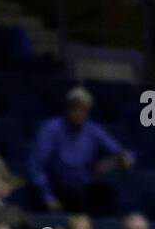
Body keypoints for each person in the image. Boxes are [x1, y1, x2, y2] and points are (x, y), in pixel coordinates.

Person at [30, 86, 132, 215]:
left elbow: (123, 153)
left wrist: (114, 162)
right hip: (55, 187)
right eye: (75, 107)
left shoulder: (93, 130)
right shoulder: (50, 129)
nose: (79, 112)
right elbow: (37, 166)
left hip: (82, 189)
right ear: (67, 108)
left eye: (84, 109)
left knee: (106, 194)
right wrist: (48, 197)